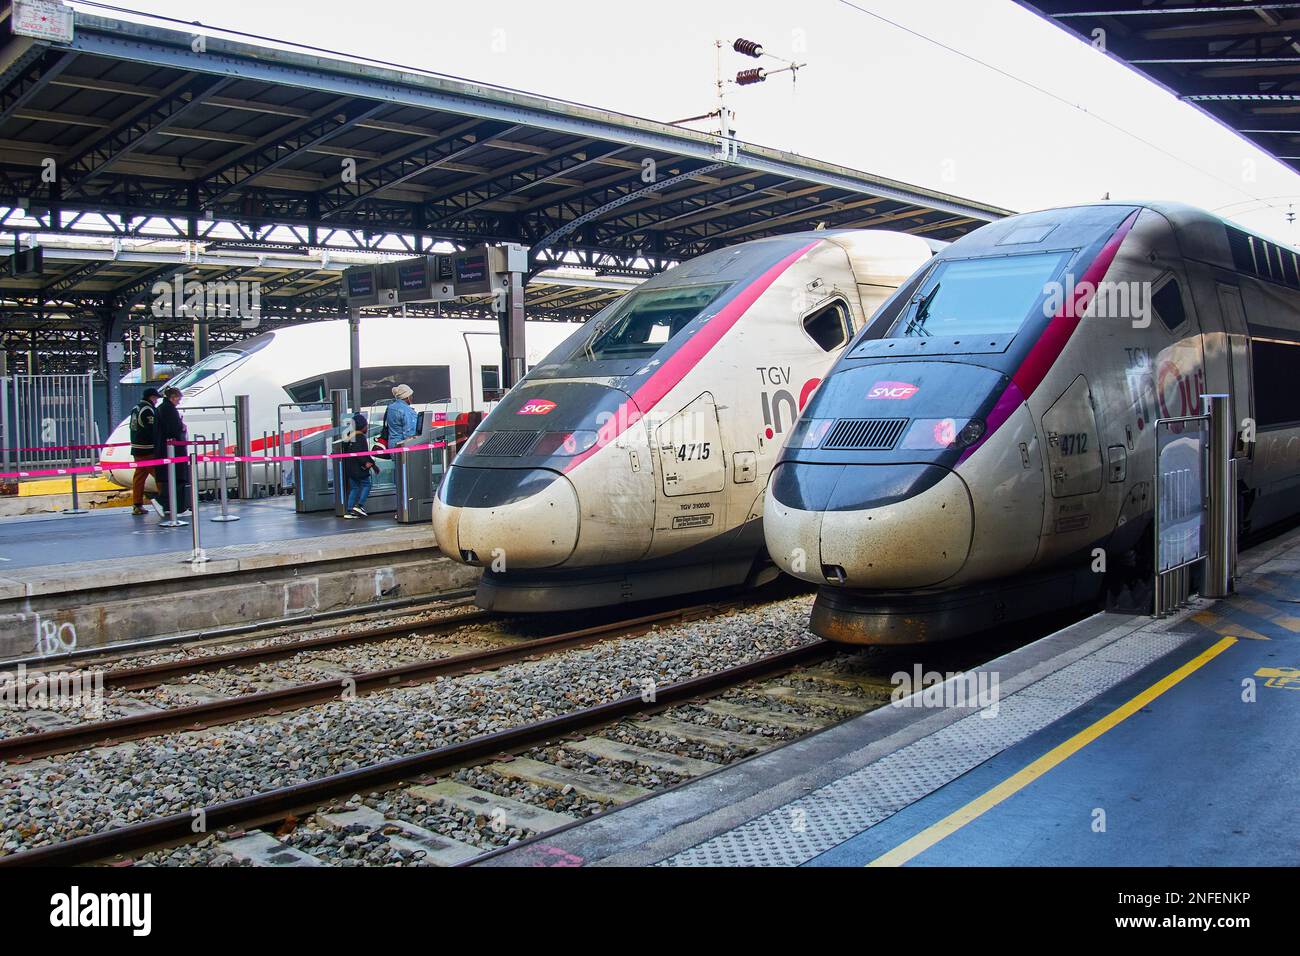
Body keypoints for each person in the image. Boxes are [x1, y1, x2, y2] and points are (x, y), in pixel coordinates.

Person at [153, 386, 192, 519]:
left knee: (168, 479)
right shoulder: (170, 410)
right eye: (178, 399)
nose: (179, 402)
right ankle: (176, 507)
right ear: (173, 397)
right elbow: (175, 429)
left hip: (164, 449)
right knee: (178, 478)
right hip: (175, 450)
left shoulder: (161, 409)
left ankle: (168, 506)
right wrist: (182, 427)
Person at [128, 388, 161, 515]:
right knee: (160, 476)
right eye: (156, 398)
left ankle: (137, 505)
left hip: (136, 448)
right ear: (151, 397)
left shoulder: (136, 408)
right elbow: (151, 429)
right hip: (147, 449)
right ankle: (166, 503)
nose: (156, 401)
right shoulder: (147, 410)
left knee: (139, 477)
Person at [342, 413, 379, 518]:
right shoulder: (360, 437)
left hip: (349, 468)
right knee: (367, 484)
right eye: (366, 425)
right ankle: (359, 505)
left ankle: (349, 511)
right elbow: (361, 453)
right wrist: (368, 463)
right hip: (359, 468)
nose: (367, 427)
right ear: (362, 426)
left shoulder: (349, 436)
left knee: (354, 488)